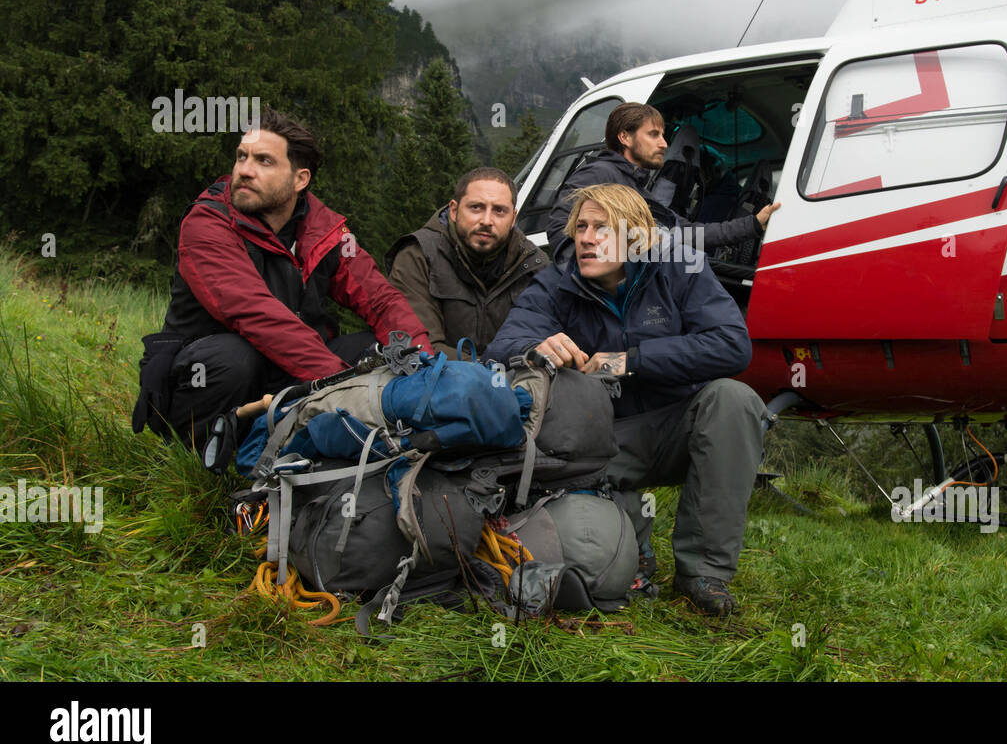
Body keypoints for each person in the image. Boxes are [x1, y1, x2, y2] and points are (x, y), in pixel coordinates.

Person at [488, 183, 767, 615]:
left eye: (603, 227)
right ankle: (634, 548)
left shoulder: (681, 267)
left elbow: (733, 345)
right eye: (581, 227)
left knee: (735, 400)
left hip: (677, 426)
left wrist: (628, 361)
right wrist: (536, 347)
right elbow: (501, 345)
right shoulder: (556, 283)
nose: (586, 237)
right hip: (599, 444)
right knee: (611, 560)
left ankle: (703, 574)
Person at [132, 108, 432, 454]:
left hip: (286, 368)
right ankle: (198, 460)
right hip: (208, 376)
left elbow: (381, 299)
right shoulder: (208, 224)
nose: (244, 170)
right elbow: (256, 313)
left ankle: (322, 449)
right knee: (234, 359)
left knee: (374, 350)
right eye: (241, 157)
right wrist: (340, 385)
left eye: (263, 161)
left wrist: (422, 366)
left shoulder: (324, 229)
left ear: (299, 179)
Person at [544, 102, 780, 254]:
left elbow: (688, 232)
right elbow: (559, 227)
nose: (664, 144)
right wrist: (593, 280)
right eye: (654, 135)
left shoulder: (639, 189)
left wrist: (752, 224)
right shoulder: (601, 173)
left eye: (663, 136)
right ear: (625, 137)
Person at [385, 167, 547, 360]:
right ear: (454, 210)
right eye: (476, 207)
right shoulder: (419, 256)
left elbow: (544, 343)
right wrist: (485, 373)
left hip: (516, 384)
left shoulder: (534, 266)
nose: (487, 220)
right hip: (436, 383)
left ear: (513, 218)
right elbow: (420, 349)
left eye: (499, 211)